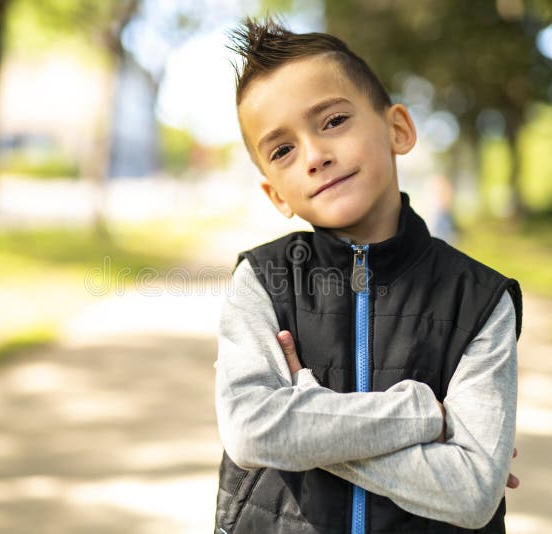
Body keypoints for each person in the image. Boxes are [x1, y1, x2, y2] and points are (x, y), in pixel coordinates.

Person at [213, 16, 523, 534]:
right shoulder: (261, 281)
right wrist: (426, 417)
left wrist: (304, 413)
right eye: (283, 150)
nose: (315, 155)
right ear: (275, 194)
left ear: (397, 129)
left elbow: (472, 492)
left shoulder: (479, 300)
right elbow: (249, 432)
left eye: (333, 121)